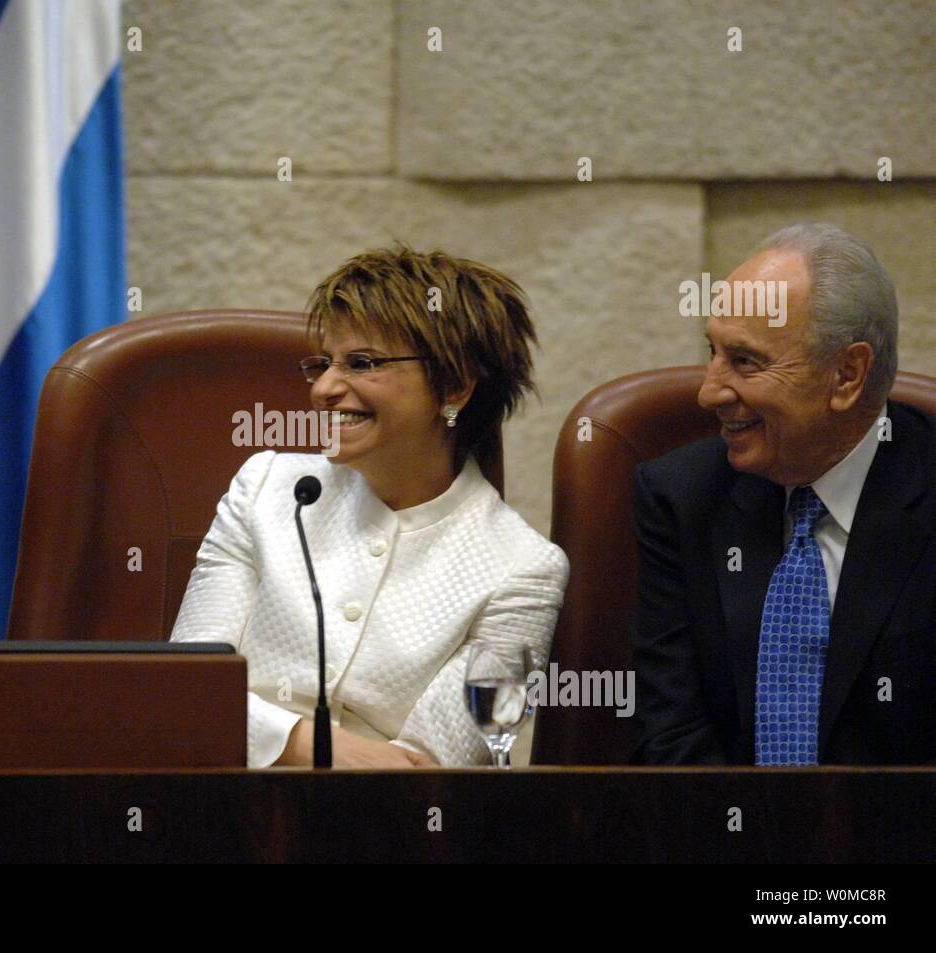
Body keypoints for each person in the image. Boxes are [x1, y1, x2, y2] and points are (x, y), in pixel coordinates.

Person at [170, 246, 569, 767]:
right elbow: (184, 692)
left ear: (454, 386)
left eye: (362, 364)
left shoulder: (525, 570)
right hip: (220, 810)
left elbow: (432, 772)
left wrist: (253, 730)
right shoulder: (265, 487)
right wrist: (321, 748)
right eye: (323, 364)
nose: (326, 389)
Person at [632, 223, 935, 765]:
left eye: (745, 361)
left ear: (846, 374)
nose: (709, 391)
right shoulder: (681, 498)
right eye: (713, 352)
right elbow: (669, 741)